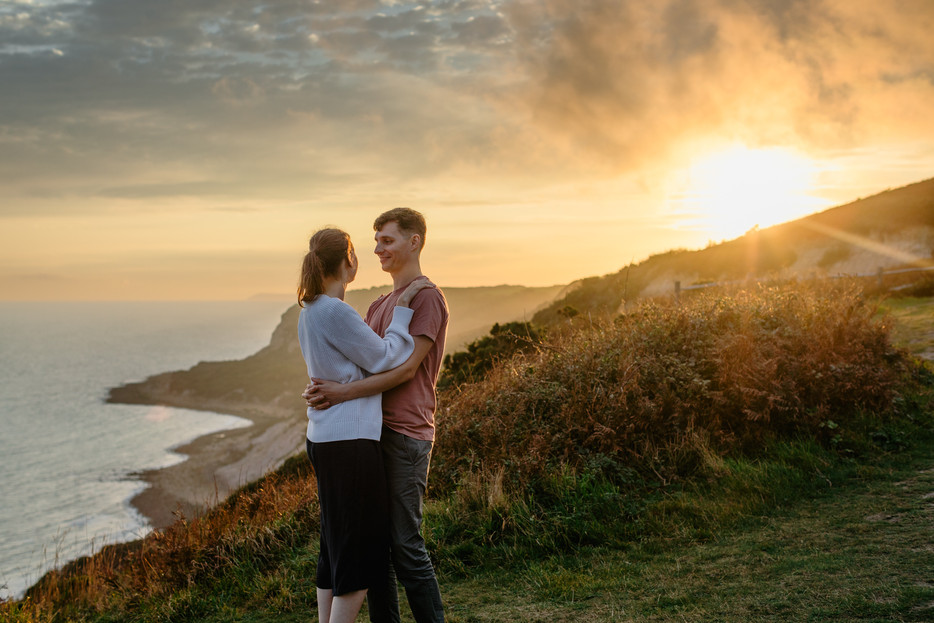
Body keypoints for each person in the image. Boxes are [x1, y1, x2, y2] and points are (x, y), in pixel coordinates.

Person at [303, 208, 448, 623]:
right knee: (374, 550)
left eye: (387, 240)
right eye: (375, 241)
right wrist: (320, 387)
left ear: (414, 242)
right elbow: (363, 365)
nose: (378, 249)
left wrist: (340, 393)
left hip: (405, 433)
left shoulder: (426, 298)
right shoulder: (378, 304)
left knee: (405, 546)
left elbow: (405, 369)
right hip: (370, 434)